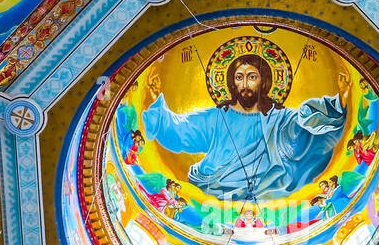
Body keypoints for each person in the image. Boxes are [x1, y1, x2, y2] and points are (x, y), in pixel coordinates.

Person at [140, 56, 347, 200]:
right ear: (232, 83)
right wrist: (155, 99)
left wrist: (339, 104)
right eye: (239, 77)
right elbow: (180, 130)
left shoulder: (280, 117)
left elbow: (308, 128)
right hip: (216, 189)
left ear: (264, 81)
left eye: (252, 77)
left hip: (269, 192)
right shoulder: (215, 117)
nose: (245, 84)